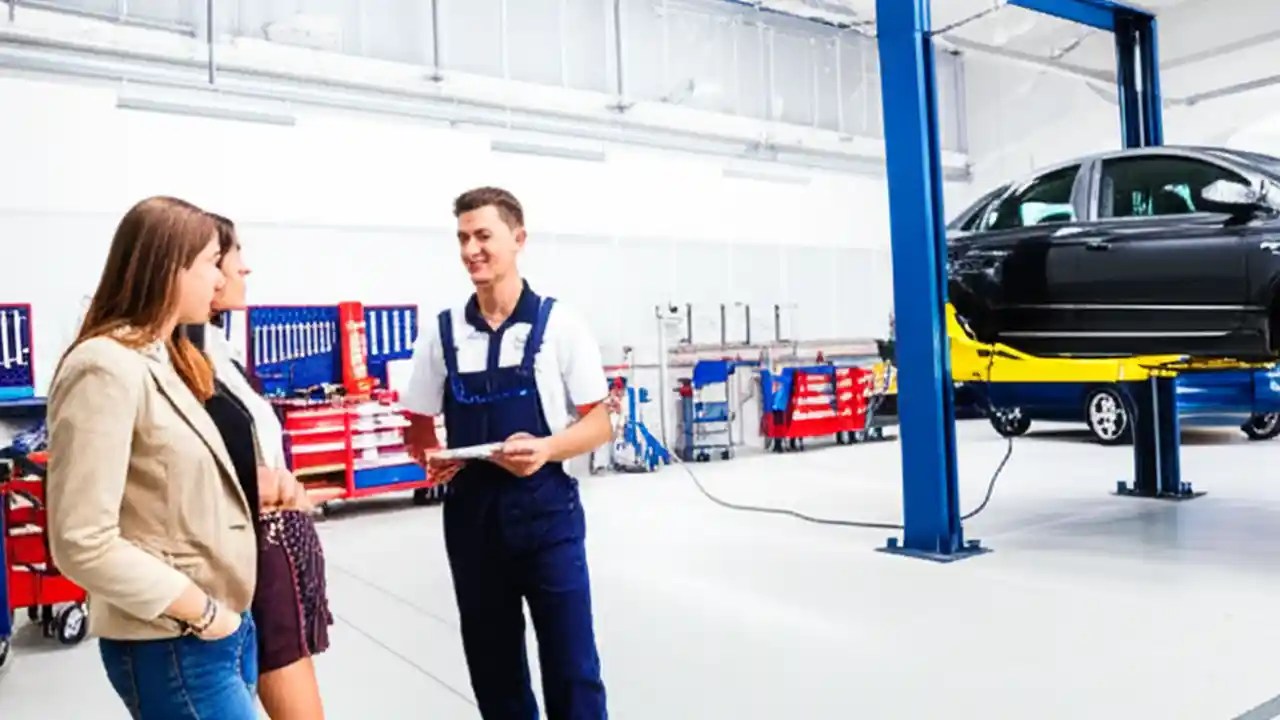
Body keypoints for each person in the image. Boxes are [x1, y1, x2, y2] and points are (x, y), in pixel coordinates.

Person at [402, 187, 614, 720]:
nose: (471, 249)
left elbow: (602, 419)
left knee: (572, 668)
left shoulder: (559, 324)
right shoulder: (443, 332)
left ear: (518, 239)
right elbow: (417, 424)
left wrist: (546, 448)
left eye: (483, 235)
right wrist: (431, 455)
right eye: (462, 238)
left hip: (546, 516)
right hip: (472, 522)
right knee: (494, 671)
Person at [45, 196, 260, 719]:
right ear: (169, 267)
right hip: (174, 638)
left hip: (220, 630)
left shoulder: (166, 360)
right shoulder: (105, 366)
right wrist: (202, 612)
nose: (221, 278)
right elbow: (81, 541)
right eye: (212, 261)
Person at [189, 213, 333, 720]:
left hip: (271, 554)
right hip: (238, 560)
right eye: (230, 258)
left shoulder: (221, 354)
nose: (245, 269)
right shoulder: (183, 364)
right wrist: (263, 483)